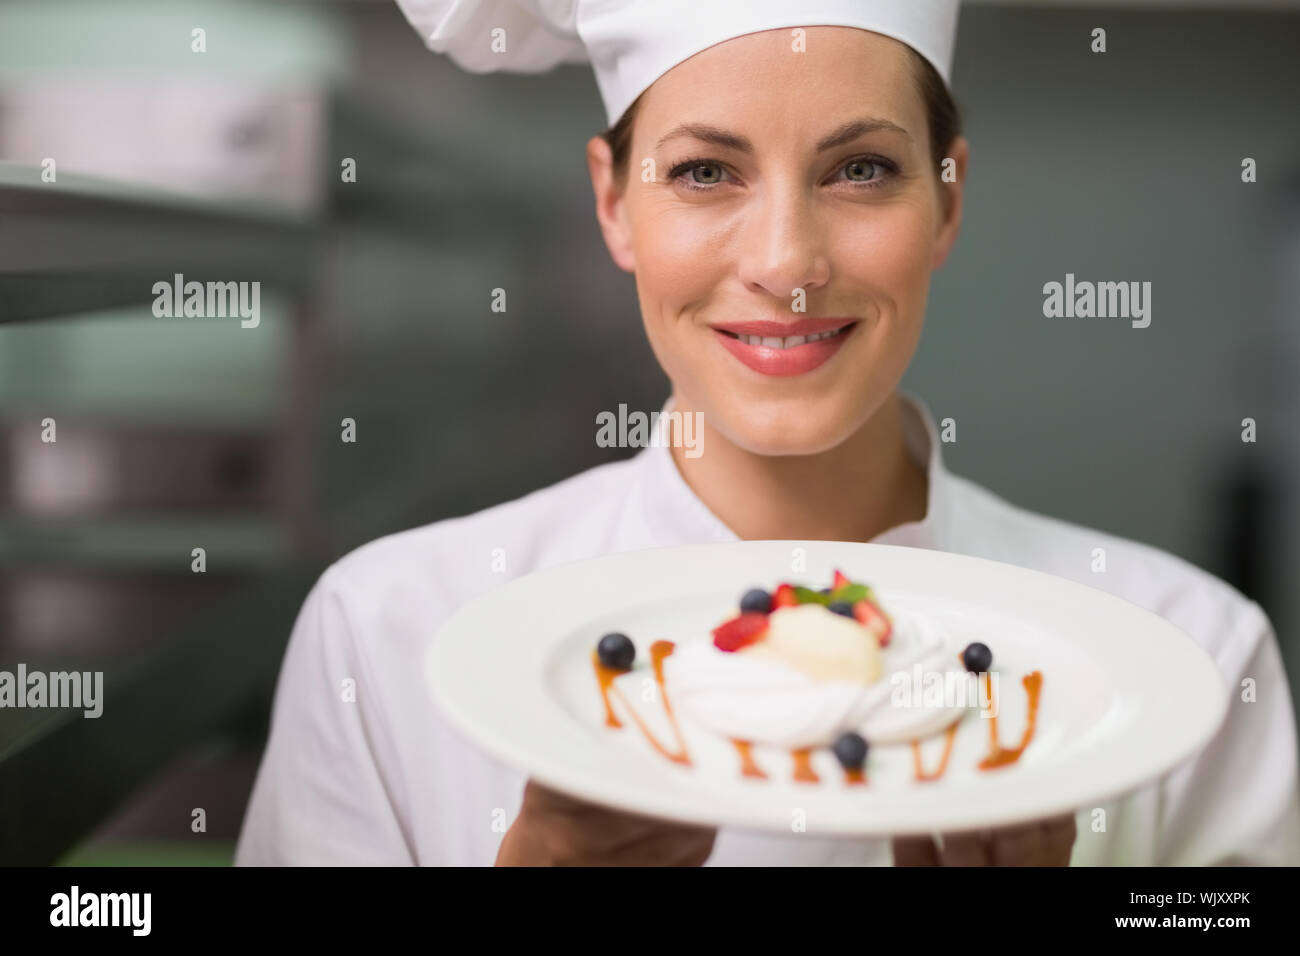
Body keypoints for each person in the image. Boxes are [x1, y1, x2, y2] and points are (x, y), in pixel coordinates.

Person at [234, 0, 1300, 866]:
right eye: (705, 172)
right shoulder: (384, 636)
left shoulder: (1192, 659)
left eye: (860, 169)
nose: (787, 262)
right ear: (613, 205)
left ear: (947, 198)